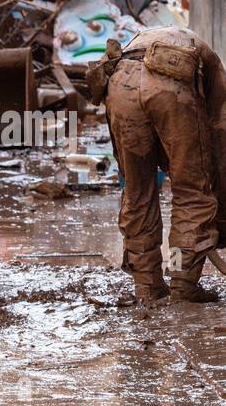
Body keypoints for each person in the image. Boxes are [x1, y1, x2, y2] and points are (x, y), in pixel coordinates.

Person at [88, 26, 226, 302]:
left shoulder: (142, 40)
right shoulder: (211, 65)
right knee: (191, 195)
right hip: (170, 86)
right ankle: (182, 282)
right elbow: (219, 135)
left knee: (137, 194)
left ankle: (147, 286)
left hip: (119, 84)